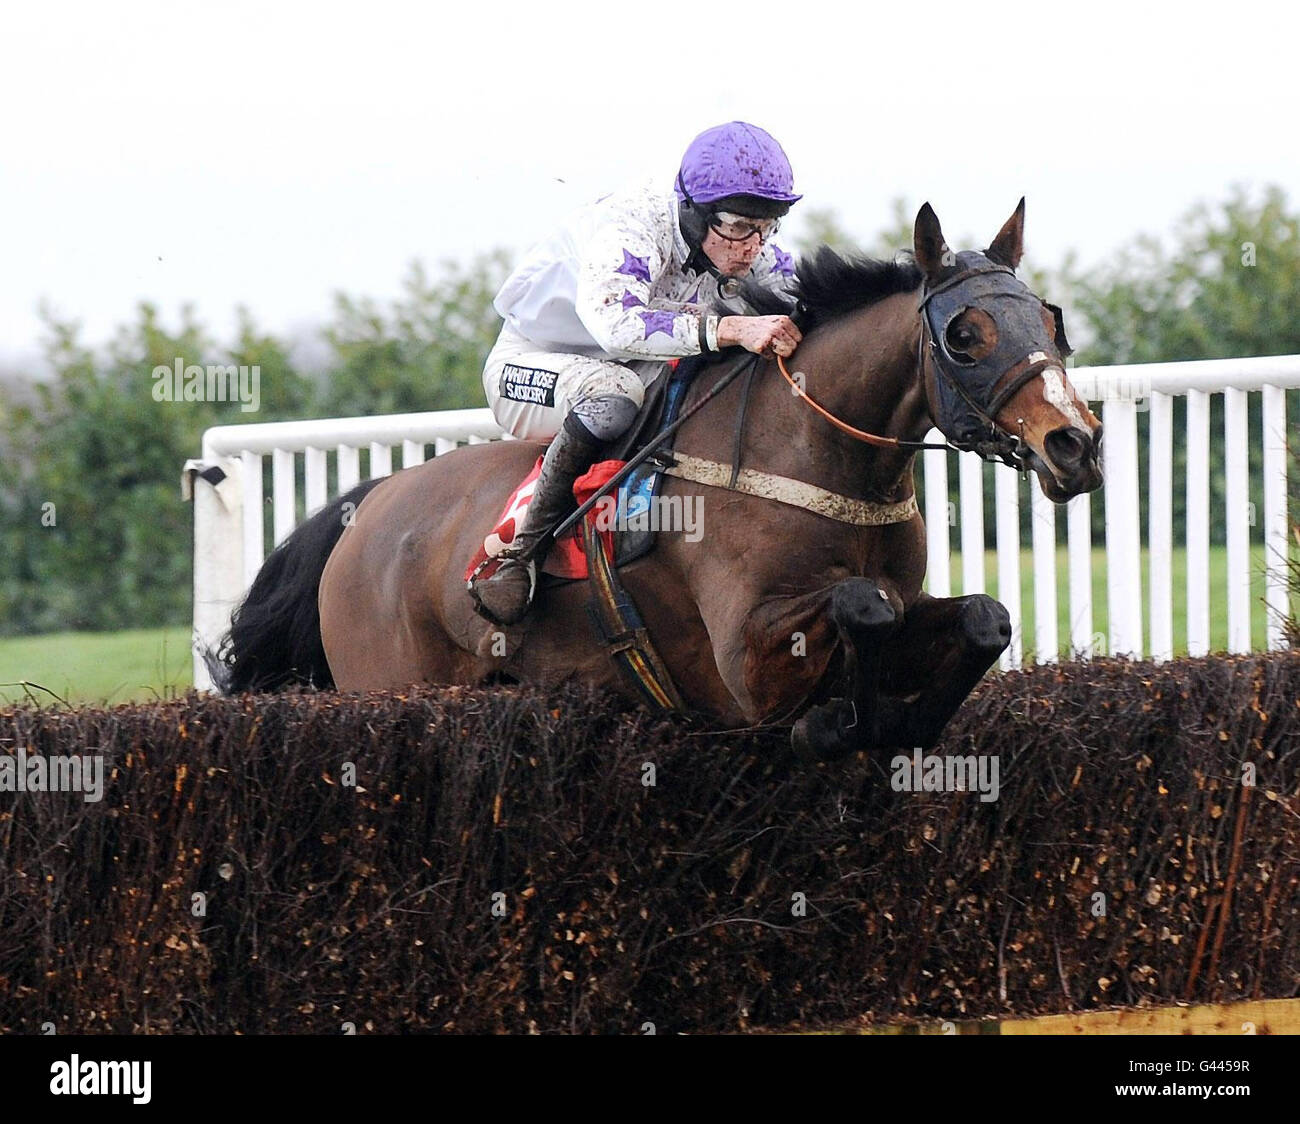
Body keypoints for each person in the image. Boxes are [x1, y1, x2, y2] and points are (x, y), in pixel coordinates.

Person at [472, 120, 805, 625]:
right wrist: (734, 327)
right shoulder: (633, 224)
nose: (751, 246)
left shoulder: (743, 236)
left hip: (630, 361)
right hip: (532, 363)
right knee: (615, 394)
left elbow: (808, 300)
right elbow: (616, 325)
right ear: (693, 211)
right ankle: (518, 555)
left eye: (766, 228)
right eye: (738, 227)